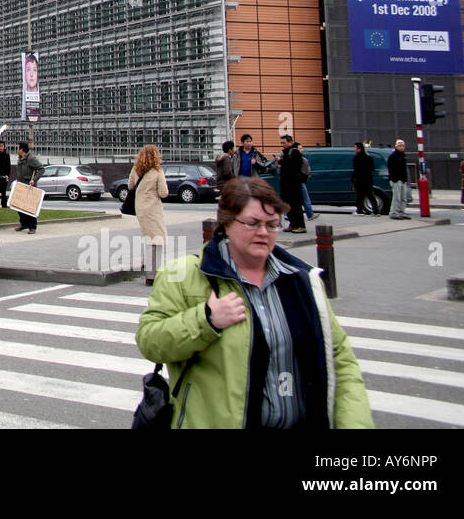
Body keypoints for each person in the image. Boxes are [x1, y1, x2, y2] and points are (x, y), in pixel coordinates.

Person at [136, 176, 373, 428]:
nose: (263, 233)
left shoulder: (303, 282)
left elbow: (340, 360)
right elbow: (150, 341)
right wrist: (205, 320)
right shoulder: (183, 276)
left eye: (272, 225)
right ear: (226, 223)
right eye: (253, 223)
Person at [127, 144, 169, 282]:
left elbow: (130, 186)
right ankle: (153, 274)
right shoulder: (157, 172)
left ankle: (150, 271)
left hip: (140, 209)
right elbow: (164, 193)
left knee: (148, 238)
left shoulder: (135, 170)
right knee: (157, 240)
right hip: (153, 209)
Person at [277, 135, 307, 233]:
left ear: (290, 142)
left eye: (284, 143)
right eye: (281, 143)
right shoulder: (286, 153)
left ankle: (301, 225)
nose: (282, 145)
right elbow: (287, 165)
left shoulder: (294, 152)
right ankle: (293, 224)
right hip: (286, 184)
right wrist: (281, 161)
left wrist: (282, 162)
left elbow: (294, 167)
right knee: (289, 205)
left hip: (293, 184)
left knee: (296, 205)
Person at [14, 142, 43, 233]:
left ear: (21, 149)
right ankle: (24, 224)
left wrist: (34, 179)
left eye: (18, 148)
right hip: (21, 186)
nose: (17, 150)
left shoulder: (31, 158)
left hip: (29, 186)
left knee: (29, 207)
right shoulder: (20, 158)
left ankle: (32, 227)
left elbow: (41, 169)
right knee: (19, 206)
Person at [351, 142, 379, 217]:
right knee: (370, 195)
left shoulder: (356, 158)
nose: (354, 149)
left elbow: (356, 170)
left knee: (359, 196)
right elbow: (372, 168)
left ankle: (359, 210)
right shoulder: (369, 158)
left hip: (359, 180)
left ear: (359, 149)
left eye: (355, 148)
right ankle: (376, 210)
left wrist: (353, 179)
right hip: (368, 179)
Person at [387, 140, 411, 219]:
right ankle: (394, 212)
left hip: (403, 179)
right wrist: (394, 178)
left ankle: (402, 212)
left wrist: (405, 179)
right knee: (396, 197)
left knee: (403, 197)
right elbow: (390, 168)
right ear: (396, 146)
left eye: (403, 146)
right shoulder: (393, 156)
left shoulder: (403, 156)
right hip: (396, 179)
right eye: (400, 146)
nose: (402, 147)